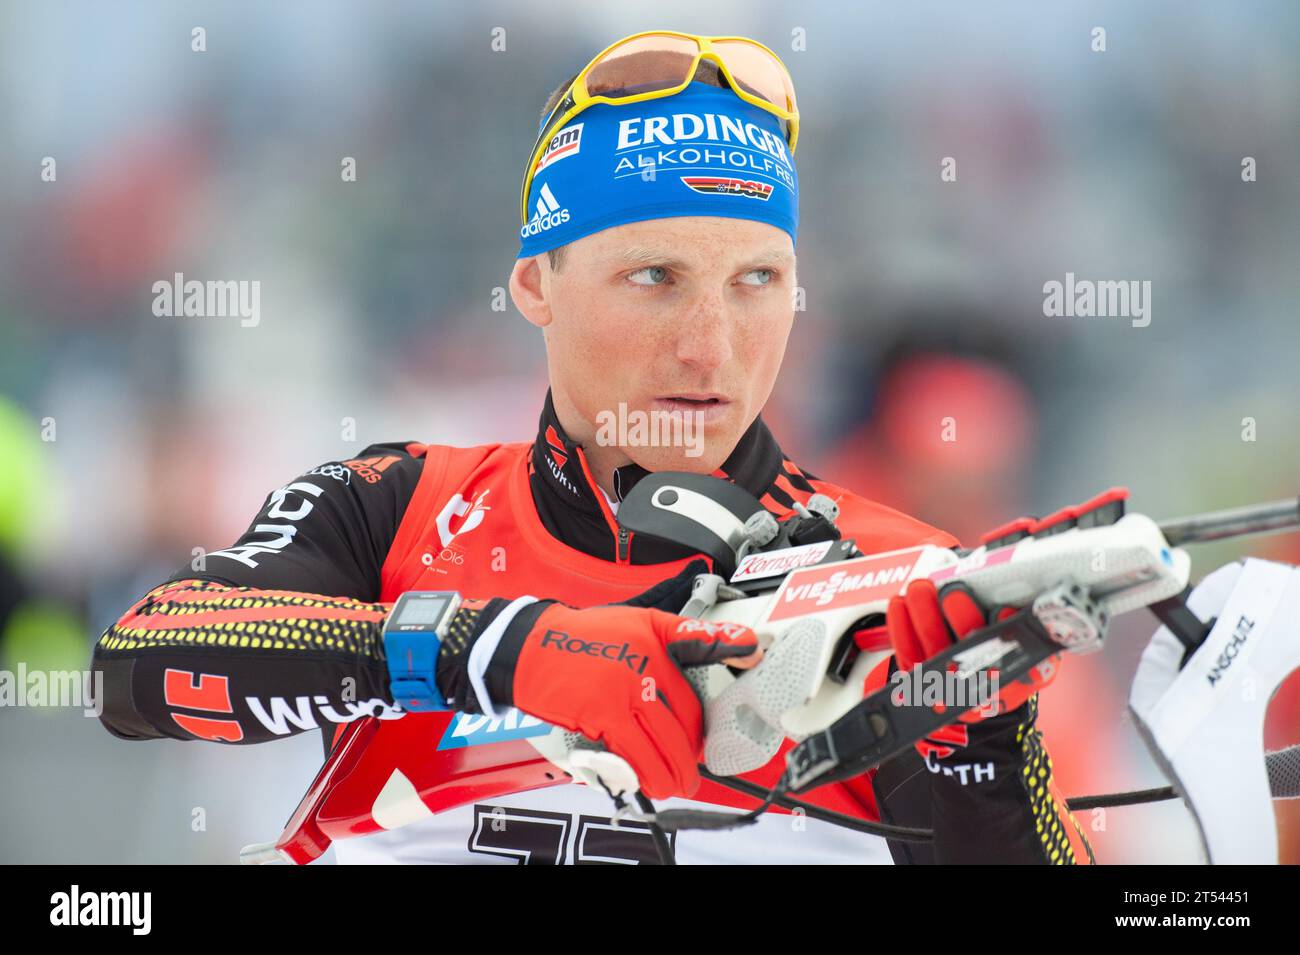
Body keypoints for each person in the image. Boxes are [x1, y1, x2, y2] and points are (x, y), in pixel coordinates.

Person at [92, 31, 1090, 865]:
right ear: (536, 284)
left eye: (755, 280)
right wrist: (491, 649)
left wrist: (985, 759)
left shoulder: (890, 574)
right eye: (653, 276)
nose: (710, 343)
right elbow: (137, 668)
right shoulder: (397, 503)